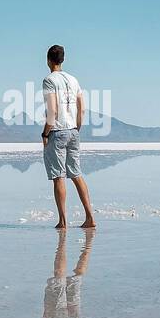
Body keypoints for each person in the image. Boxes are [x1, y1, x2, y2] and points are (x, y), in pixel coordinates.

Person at [41, 44, 95, 230]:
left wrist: (45, 133)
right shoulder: (73, 80)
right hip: (73, 131)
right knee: (77, 174)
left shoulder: (49, 80)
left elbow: (53, 110)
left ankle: (63, 221)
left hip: (57, 132)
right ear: (62, 60)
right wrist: (76, 127)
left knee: (59, 177)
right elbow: (82, 107)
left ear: (48, 60)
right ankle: (90, 217)